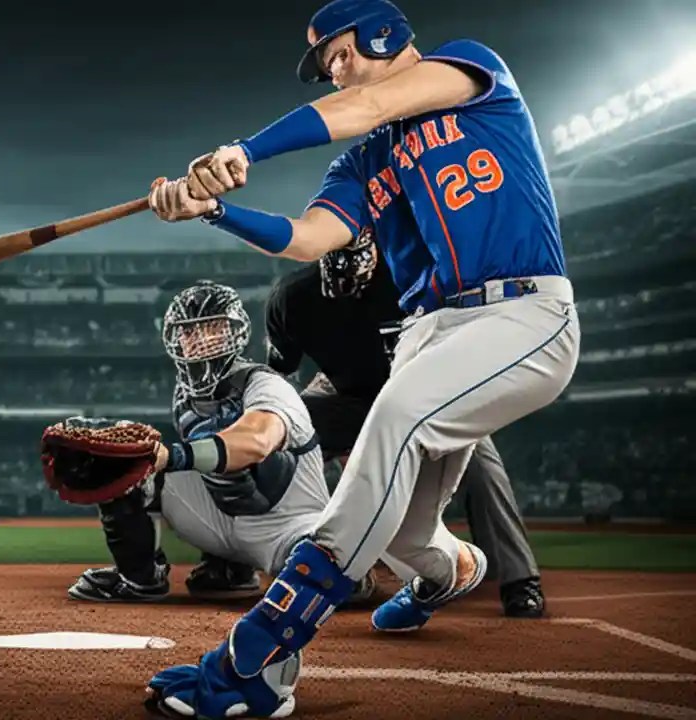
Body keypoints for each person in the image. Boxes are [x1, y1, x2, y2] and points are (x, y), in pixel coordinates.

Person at [141, 0, 580, 717]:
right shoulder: (369, 156)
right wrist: (214, 211)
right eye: (326, 67)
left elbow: (372, 101)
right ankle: (453, 569)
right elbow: (308, 239)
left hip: (521, 310)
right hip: (428, 331)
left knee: (396, 419)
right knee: (408, 535)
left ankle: (262, 658)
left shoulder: (471, 69)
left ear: (383, 33)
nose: (334, 74)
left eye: (340, 54)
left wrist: (244, 152)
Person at [265, 229, 546, 622]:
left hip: (425, 394)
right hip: (351, 398)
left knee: (482, 460)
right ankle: (272, 551)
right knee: (276, 429)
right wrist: (294, 415)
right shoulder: (292, 298)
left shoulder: (418, 278)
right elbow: (278, 377)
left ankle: (520, 582)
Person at [68, 281, 376, 611]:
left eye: (213, 328)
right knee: (125, 463)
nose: (199, 340)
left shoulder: (265, 384)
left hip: (285, 524)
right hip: (222, 521)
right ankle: (144, 578)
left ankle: (334, 561)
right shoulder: (184, 397)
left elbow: (257, 442)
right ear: (175, 339)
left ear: (235, 333)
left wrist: (172, 456)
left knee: (330, 576)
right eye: (189, 332)